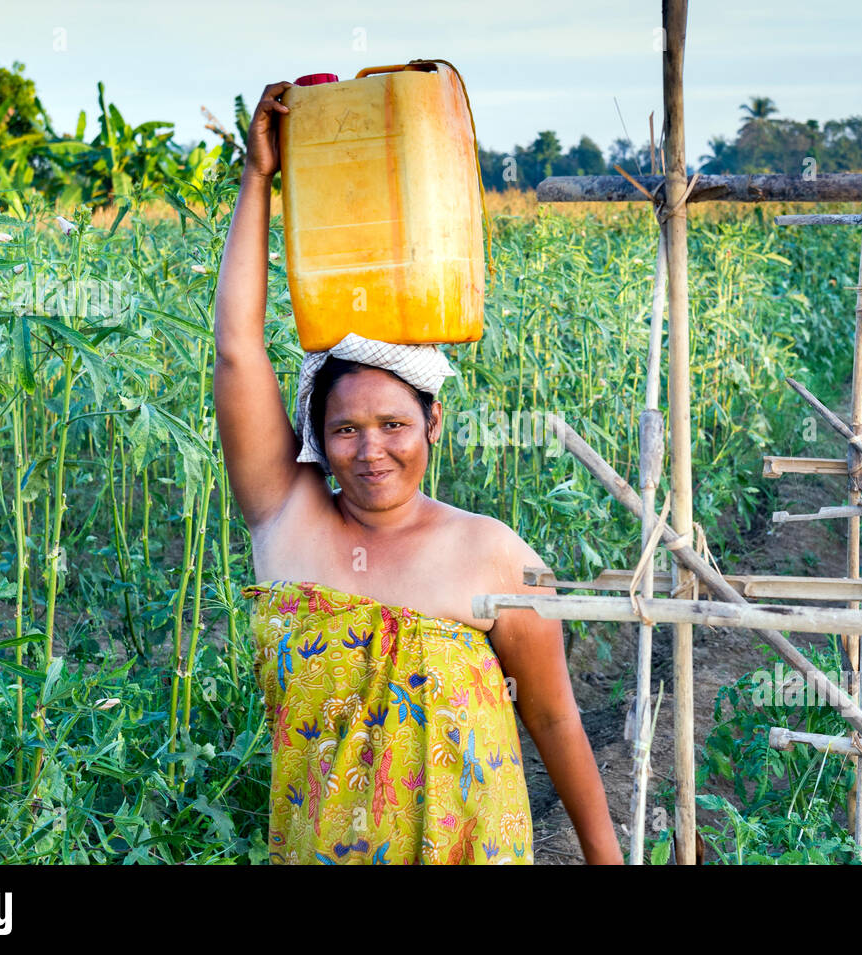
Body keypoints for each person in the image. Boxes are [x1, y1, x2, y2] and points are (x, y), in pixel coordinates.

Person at [213, 81, 622, 865]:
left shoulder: (500, 556)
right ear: (313, 435)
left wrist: (607, 860)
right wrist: (258, 177)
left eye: (394, 425)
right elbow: (239, 348)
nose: (371, 451)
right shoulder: (287, 516)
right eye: (345, 429)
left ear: (434, 422)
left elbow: (555, 717)